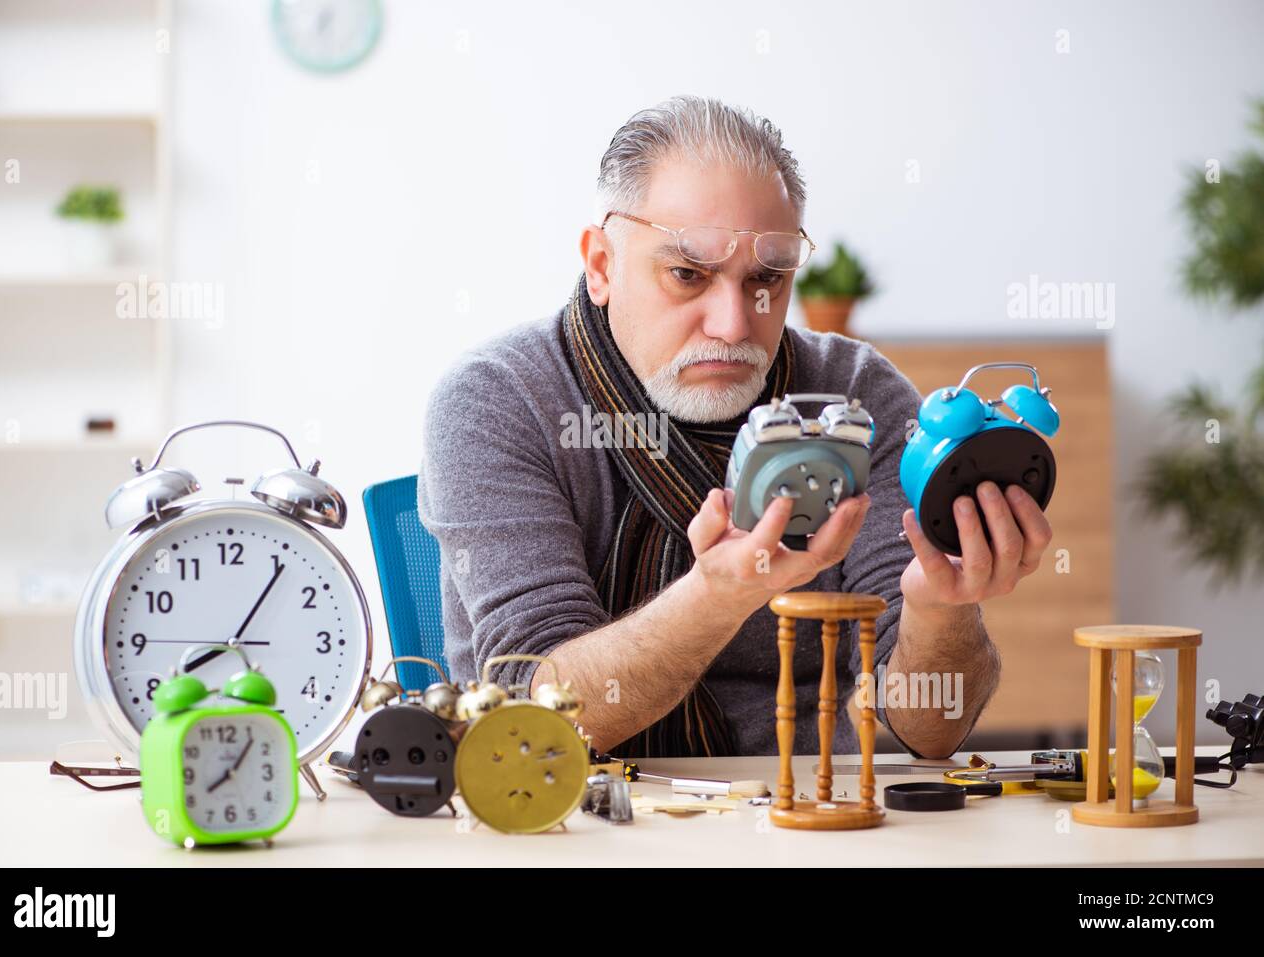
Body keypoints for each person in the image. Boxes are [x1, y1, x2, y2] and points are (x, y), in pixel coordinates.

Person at [419, 96, 1052, 758]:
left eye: (767, 278)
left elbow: (929, 728)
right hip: (565, 815)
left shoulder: (860, 394)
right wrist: (718, 597)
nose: (734, 323)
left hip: (810, 816)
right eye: (687, 274)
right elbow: (534, 717)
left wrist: (939, 610)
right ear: (602, 265)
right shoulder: (497, 399)